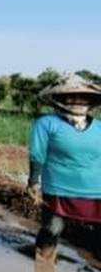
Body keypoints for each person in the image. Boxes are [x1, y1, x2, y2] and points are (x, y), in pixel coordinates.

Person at [28, 74, 101, 261]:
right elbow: (37, 154)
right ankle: (43, 263)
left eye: (82, 96)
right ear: (59, 98)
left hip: (96, 189)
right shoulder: (46, 124)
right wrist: (33, 182)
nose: (77, 100)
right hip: (59, 187)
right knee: (53, 228)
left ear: (90, 100)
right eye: (70, 95)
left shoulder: (99, 127)